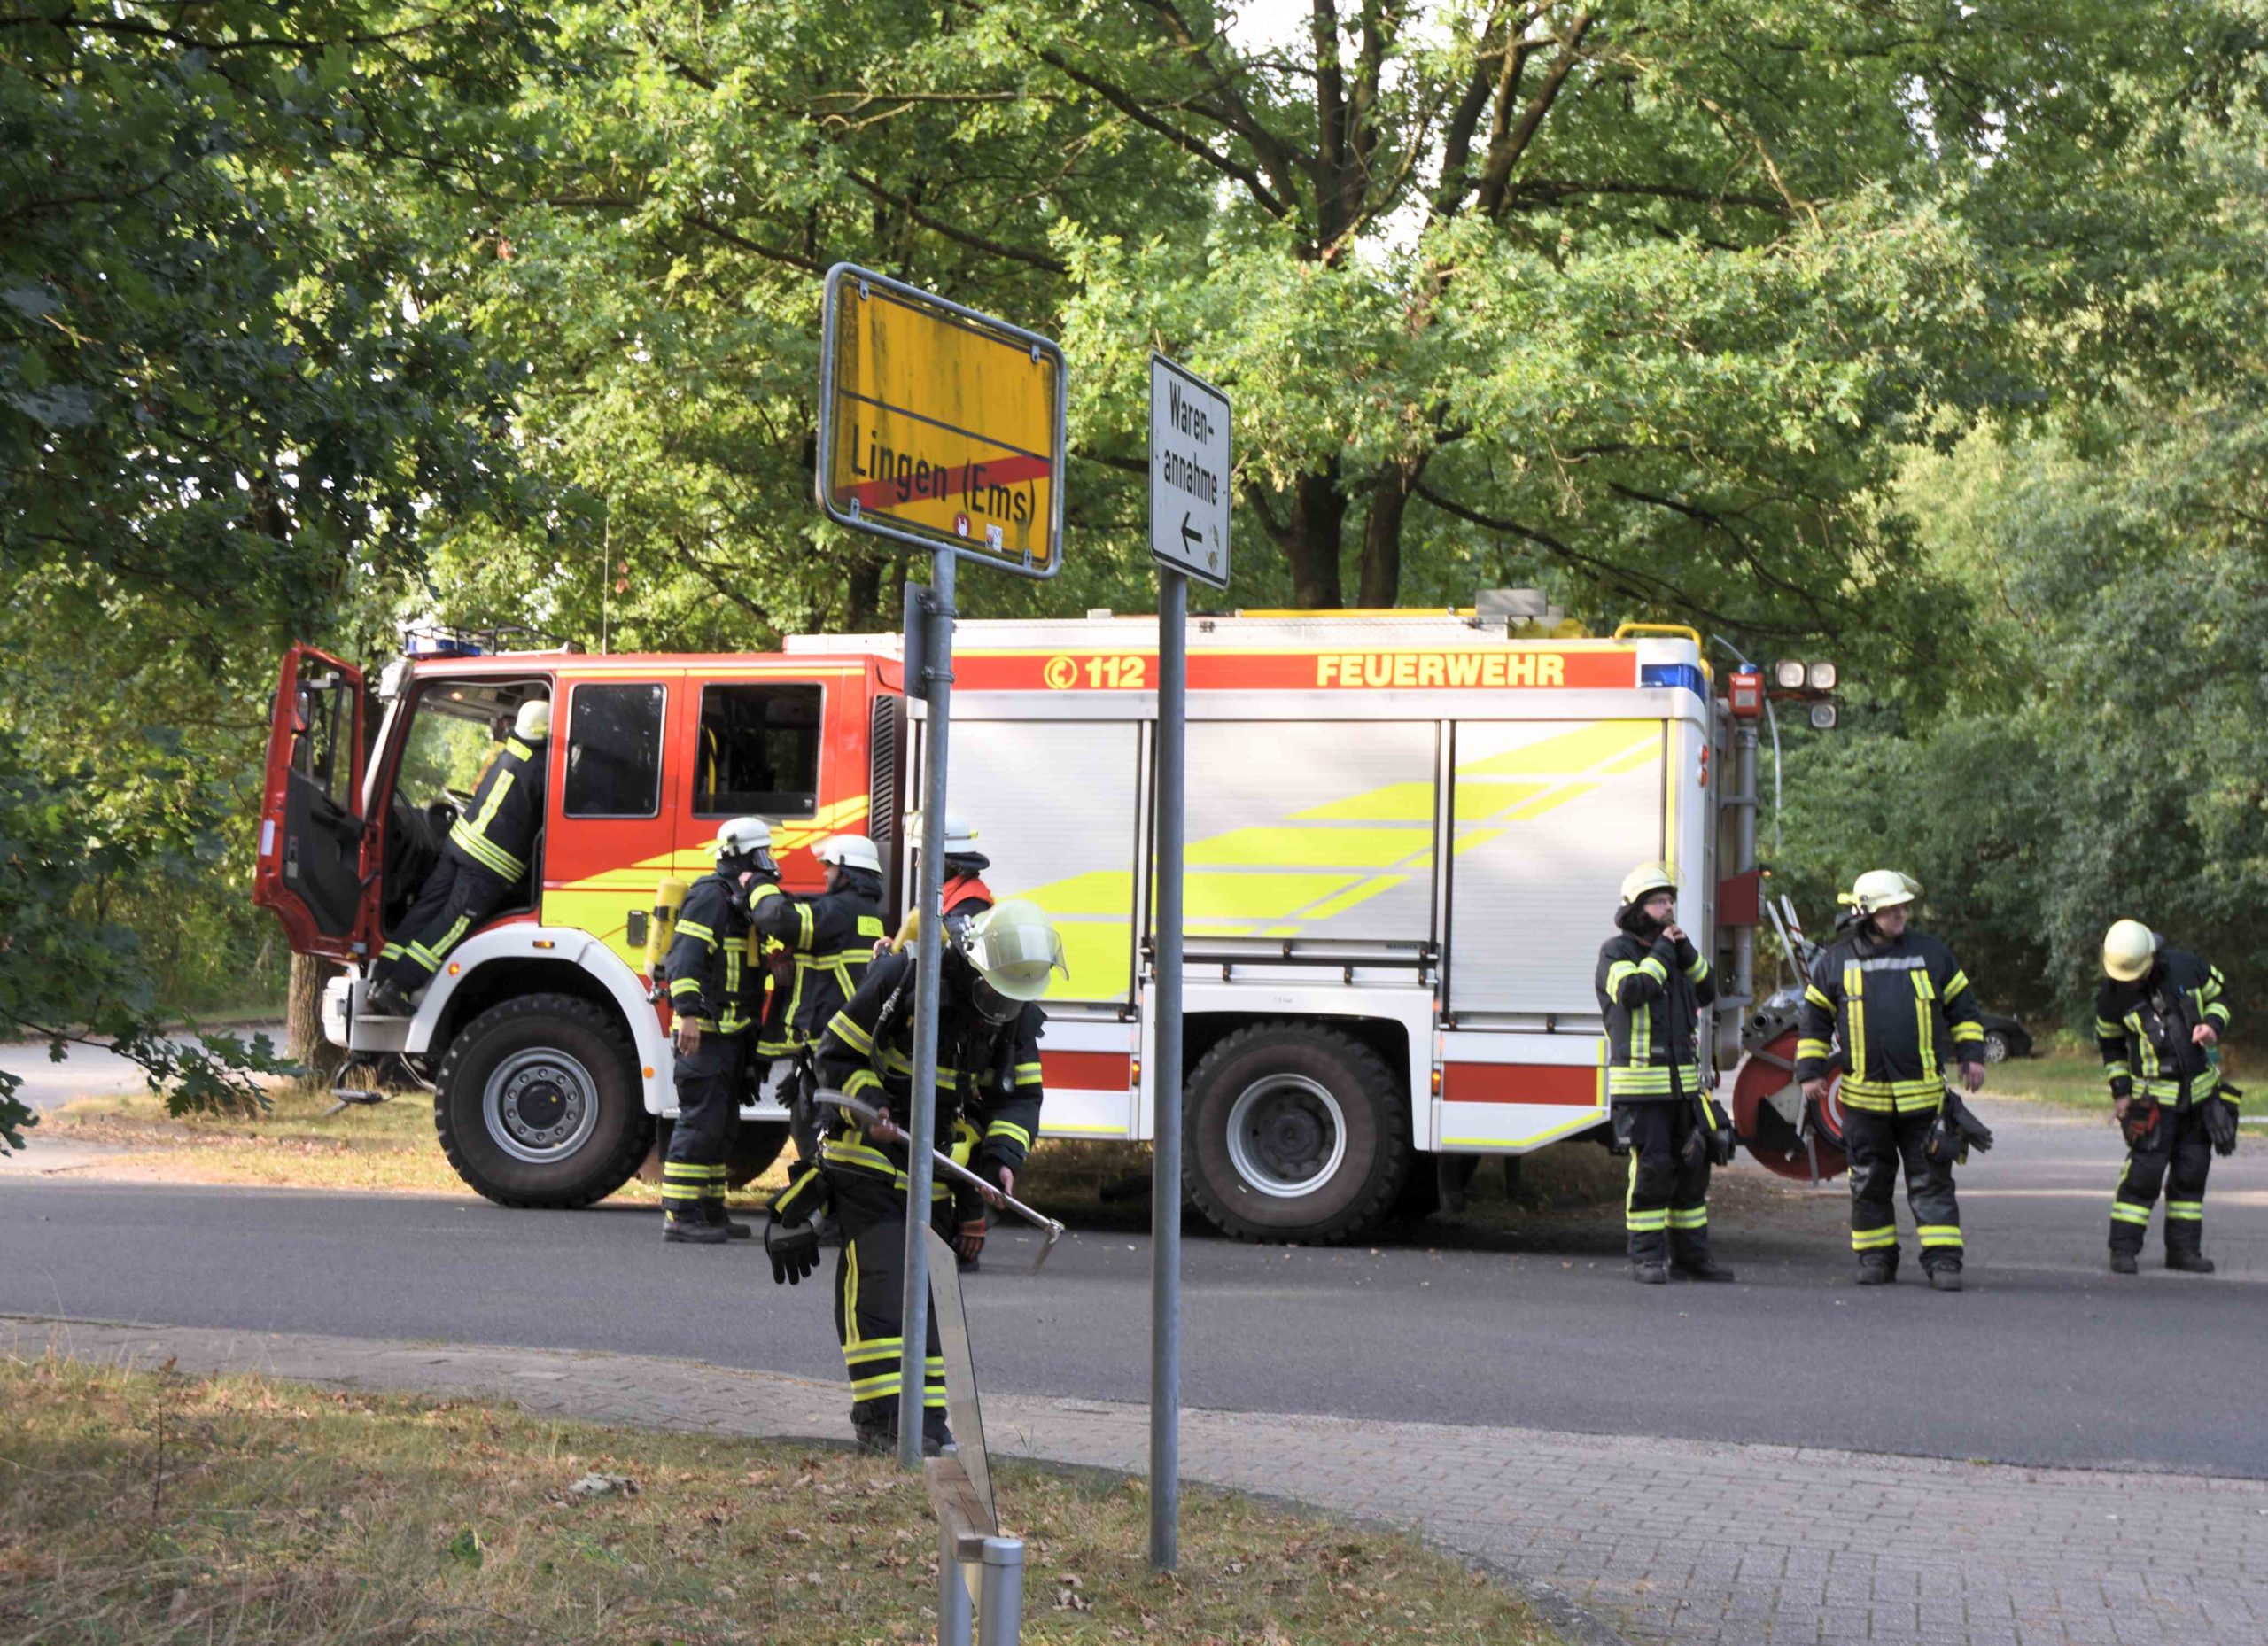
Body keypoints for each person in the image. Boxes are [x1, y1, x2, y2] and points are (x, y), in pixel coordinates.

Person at [765, 898, 1066, 1456]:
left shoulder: (1014, 1007)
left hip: (935, 1177)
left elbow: (1019, 1097)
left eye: (1011, 999)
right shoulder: (904, 980)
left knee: (927, 1302)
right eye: (994, 993)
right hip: (870, 1161)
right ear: (973, 964)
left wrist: (1001, 1157)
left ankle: (924, 1424)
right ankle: (882, 1423)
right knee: (881, 1289)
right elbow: (836, 1057)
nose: (1000, 1008)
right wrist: (870, 1106)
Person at [1797, 870, 1988, 1292]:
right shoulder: (1836, 960)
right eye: (1890, 908)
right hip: (1864, 1104)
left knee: (1932, 1183)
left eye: (1902, 906)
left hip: (1923, 1101)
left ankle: (1943, 1263)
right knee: (1868, 1183)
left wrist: (1972, 1056)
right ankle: (1876, 1260)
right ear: (1866, 914)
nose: (1900, 913)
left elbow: (1964, 1008)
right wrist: (1810, 1072)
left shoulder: (1931, 953)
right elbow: (1813, 1021)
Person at [365, 697, 549, 1015]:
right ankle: (398, 987)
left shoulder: (507, 753)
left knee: (424, 911)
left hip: (457, 846)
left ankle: (381, 976)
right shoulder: (544, 768)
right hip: (487, 865)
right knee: (451, 925)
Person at [1596, 863, 1731, 1285]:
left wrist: (1686, 952)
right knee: (1652, 1171)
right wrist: (1664, 954)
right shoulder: (1615, 953)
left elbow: (1709, 990)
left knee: (1692, 1172)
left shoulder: (1674, 952)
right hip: (1641, 1088)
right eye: (1658, 901)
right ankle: (1647, 1258)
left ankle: (1692, 1258)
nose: (1668, 907)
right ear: (1636, 909)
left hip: (1682, 1090)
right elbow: (1633, 991)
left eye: (1670, 900)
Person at [656, 817, 775, 1246]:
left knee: (721, 1126)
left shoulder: (738, 903)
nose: (768, 862)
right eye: (762, 854)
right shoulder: (710, 897)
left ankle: (708, 1210)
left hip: (729, 1034)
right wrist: (687, 1013)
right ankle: (680, 1215)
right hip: (703, 1033)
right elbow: (684, 959)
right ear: (741, 854)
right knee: (699, 1123)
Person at [2095, 920, 2237, 1275]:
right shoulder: (2111, 996)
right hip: (2152, 1101)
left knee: (2191, 1176)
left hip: (2200, 1099)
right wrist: (2121, 1093)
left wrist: (2213, 1026)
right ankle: (2123, 1250)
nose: (2131, 981)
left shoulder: (2187, 967)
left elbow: (2221, 995)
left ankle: (2184, 1251)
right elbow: (2110, 1047)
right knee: (2142, 1176)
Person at [748, 834, 889, 1166]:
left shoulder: (839, 911)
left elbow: (779, 918)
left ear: (847, 871)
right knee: (816, 1131)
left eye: (829, 867)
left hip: (830, 1046)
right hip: (833, 1049)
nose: (824, 874)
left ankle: (823, 1211)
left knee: (819, 1142)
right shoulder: (863, 912)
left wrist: (759, 884)